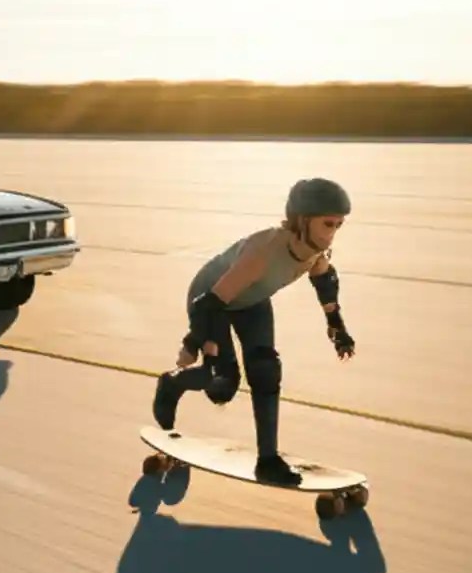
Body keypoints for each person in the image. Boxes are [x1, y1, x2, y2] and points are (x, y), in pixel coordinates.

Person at [152, 178, 357, 485]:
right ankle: (172, 384)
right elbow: (209, 304)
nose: (333, 233)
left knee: (266, 370)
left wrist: (337, 326)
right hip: (213, 299)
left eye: (339, 225)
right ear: (302, 220)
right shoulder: (263, 251)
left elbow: (325, 282)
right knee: (222, 385)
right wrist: (192, 344)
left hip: (251, 301)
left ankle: (268, 461)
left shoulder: (314, 251)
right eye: (328, 224)